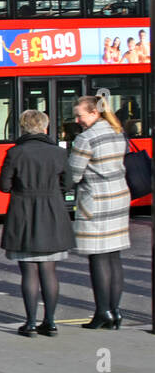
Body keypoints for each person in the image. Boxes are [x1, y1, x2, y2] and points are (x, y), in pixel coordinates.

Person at [0, 109, 73, 336]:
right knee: (49, 271)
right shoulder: (58, 153)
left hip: (23, 214)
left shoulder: (15, 153)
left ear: (22, 127)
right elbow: (68, 183)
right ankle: (50, 322)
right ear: (45, 127)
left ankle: (30, 323)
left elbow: (3, 185)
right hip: (52, 214)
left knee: (29, 273)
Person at [67, 95, 130, 329]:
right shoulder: (117, 131)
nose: (77, 119)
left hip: (96, 200)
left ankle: (102, 312)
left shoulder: (86, 138)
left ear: (94, 113)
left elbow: (74, 174)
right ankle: (115, 311)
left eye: (80, 115)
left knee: (98, 257)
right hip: (119, 198)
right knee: (114, 256)